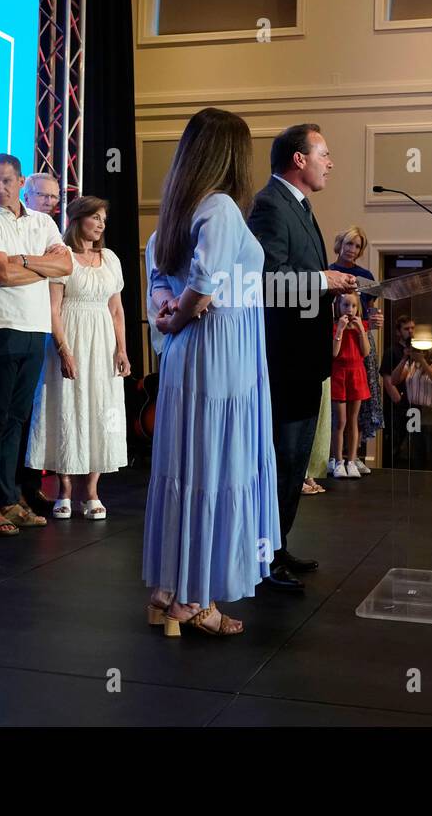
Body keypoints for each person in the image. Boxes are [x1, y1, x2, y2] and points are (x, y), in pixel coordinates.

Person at [143, 107, 281, 636]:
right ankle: (195, 602)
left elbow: (159, 275)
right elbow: (206, 282)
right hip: (221, 354)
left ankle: (167, 592)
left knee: (188, 467)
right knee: (216, 467)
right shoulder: (222, 206)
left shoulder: (179, 207)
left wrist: (167, 313)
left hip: (192, 356)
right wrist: (179, 316)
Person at [247, 123, 357, 592]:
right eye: (324, 154)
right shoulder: (270, 206)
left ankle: (278, 544)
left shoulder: (302, 207)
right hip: (285, 358)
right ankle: (261, 556)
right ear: (299, 159)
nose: (330, 163)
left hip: (306, 358)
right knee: (280, 460)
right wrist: (323, 281)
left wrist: (331, 284)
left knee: (295, 464)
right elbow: (269, 280)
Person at [0, 153, 72, 536]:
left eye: (5, 182)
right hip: (0, 327)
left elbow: (65, 268)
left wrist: (23, 260)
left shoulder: (43, 221)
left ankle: (10, 501)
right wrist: (39, 264)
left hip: (35, 328)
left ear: (20, 179)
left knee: (17, 419)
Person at [25, 196, 128, 518]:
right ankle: (65, 490)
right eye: (95, 217)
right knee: (66, 406)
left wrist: (122, 349)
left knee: (100, 407)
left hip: (103, 343)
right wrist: (63, 349)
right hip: (70, 339)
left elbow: (116, 310)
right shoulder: (62, 257)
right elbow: (54, 309)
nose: (101, 224)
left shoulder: (110, 258)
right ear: (77, 219)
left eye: (104, 219)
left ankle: (92, 491)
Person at [18, 172, 63, 510]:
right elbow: (3, 269)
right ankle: (13, 491)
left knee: (35, 412)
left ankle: (31, 487)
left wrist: (29, 265)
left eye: (54, 197)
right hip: (15, 323)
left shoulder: (51, 229)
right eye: (45, 196)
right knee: (14, 416)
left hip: (43, 329)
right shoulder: (17, 225)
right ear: (28, 194)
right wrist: (39, 265)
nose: (51, 202)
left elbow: (61, 268)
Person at [329, 225, 383, 473]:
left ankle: (355, 455)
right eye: (349, 243)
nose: (352, 249)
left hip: (361, 338)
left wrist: (375, 321)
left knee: (363, 397)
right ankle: (335, 457)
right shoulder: (328, 271)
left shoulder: (366, 275)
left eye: (357, 245)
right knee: (339, 407)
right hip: (336, 339)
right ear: (340, 244)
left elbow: (370, 310)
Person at [381, 316, 432, 469]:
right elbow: (394, 380)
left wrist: (423, 362)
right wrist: (405, 358)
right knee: (415, 457)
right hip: (414, 413)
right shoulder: (412, 363)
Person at [330, 293, 371, 479]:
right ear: (339, 306)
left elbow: (366, 351)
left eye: (353, 306)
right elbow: (334, 353)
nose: (350, 309)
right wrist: (339, 330)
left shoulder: (360, 327)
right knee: (340, 421)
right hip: (339, 374)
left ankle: (352, 461)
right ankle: (338, 461)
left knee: (354, 420)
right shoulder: (334, 326)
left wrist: (361, 330)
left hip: (356, 373)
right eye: (346, 305)